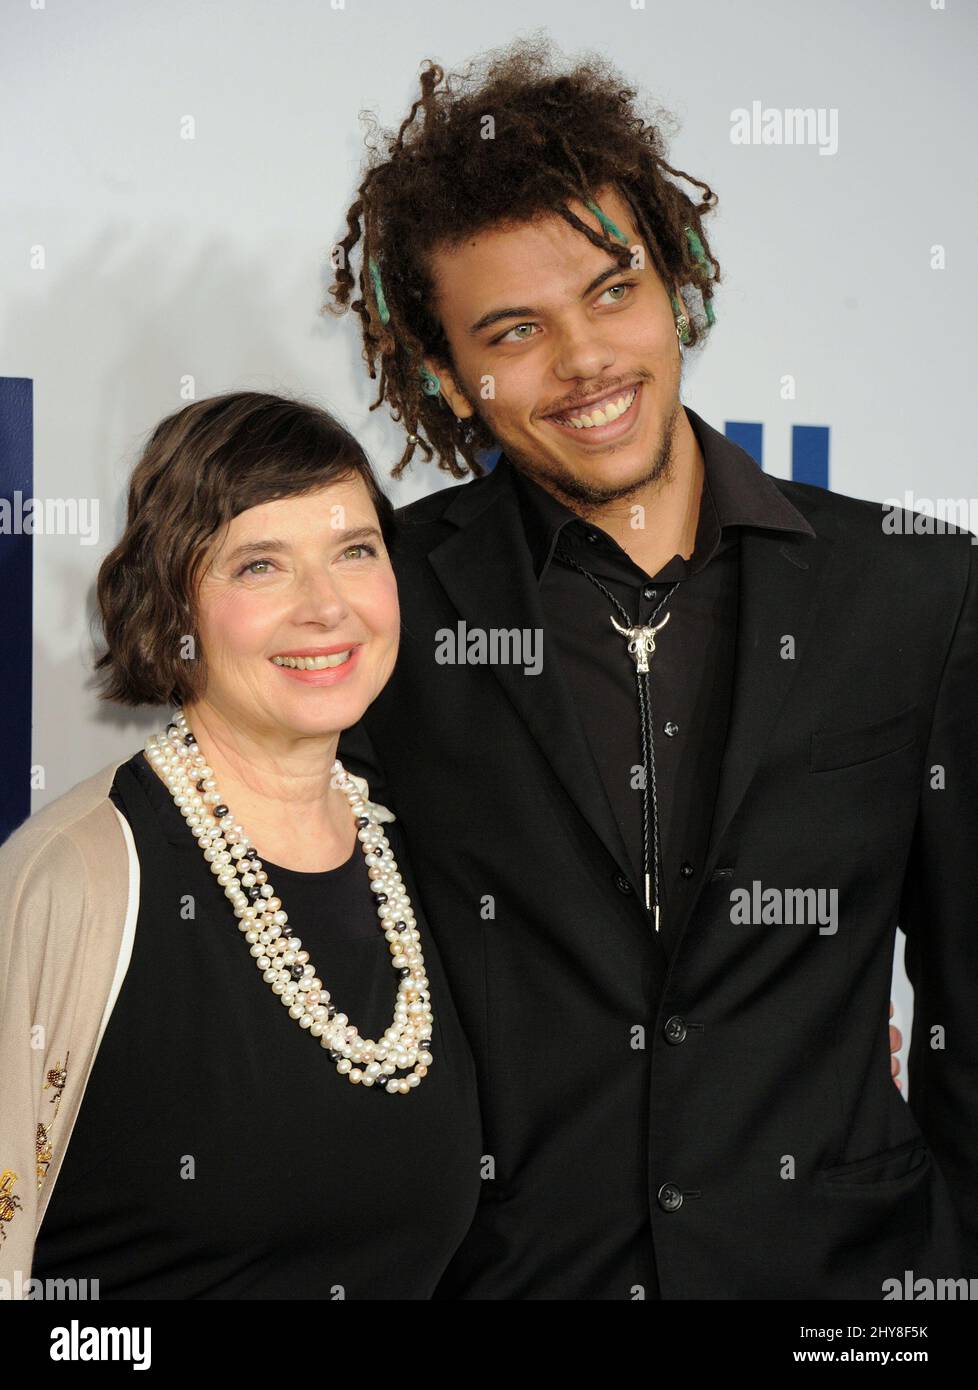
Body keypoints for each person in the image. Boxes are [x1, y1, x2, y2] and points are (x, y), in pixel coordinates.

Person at [328, 40, 976, 1298]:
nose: (584, 363)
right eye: (514, 329)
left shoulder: (914, 588)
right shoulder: (380, 602)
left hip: (846, 1287)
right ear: (449, 377)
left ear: (677, 288)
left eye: (611, 292)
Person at [0, 392, 481, 1299]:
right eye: (261, 566)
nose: (326, 607)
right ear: (169, 606)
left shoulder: (419, 855)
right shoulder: (74, 878)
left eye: (354, 551)